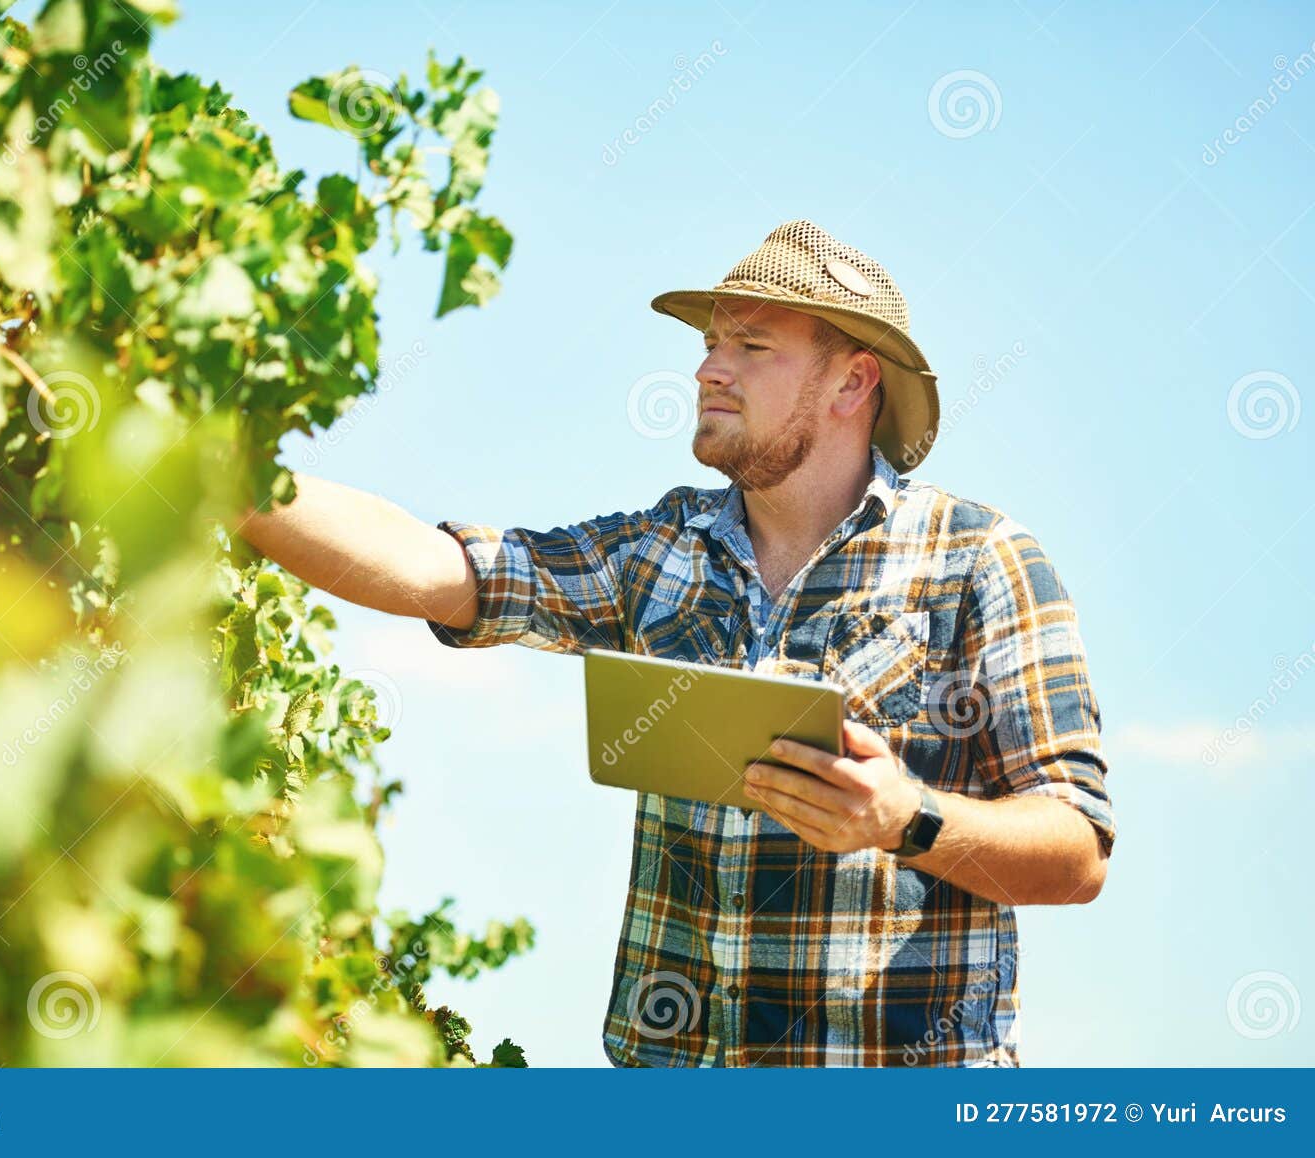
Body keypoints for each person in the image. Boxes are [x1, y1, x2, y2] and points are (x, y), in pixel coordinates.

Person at [237, 219, 1115, 1067]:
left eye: (752, 347)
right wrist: (229, 477)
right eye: (709, 344)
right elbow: (451, 572)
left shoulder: (979, 561)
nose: (708, 368)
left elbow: (1078, 849)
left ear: (852, 384)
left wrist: (904, 818)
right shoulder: (658, 551)